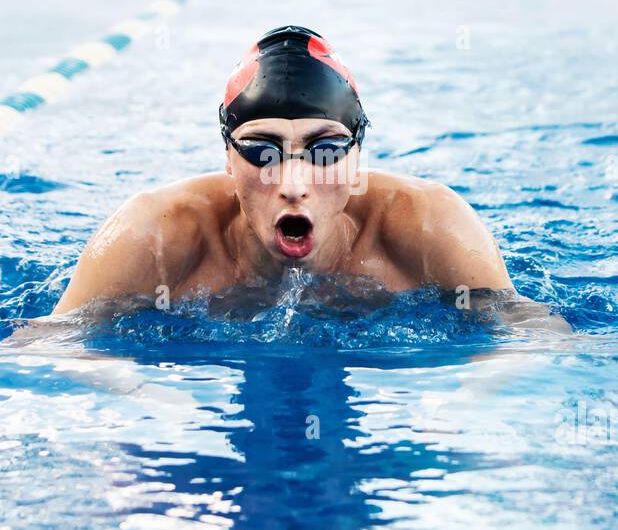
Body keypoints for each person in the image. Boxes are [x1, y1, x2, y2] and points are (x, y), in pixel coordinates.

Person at [49, 26, 567, 331]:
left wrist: (470, 411)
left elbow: (531, 337)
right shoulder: (154, 234)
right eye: (260, 150)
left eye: (324, 150)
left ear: (356, 158)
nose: (293, 182)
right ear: (228, 159)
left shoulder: (430, 226)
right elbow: (49, 349)